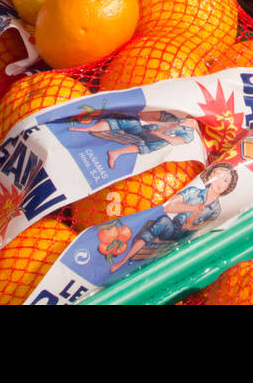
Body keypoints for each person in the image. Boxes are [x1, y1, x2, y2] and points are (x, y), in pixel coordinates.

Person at [104, 163, 238, 272]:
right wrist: (192, 208)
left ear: (228, 187)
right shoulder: (194, 192)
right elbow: (169, 207)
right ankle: (122, 262)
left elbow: (205, 226)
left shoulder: (216, 210)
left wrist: (190, 227)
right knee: (162, 222)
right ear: (210, 175)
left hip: (186, 239)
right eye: (218, 175)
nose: (220, 181)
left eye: (226, 180)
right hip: (173, 228)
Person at [69, 108, 200, 168]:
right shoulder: (175, 116)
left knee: (159, 144)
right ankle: (84, 129)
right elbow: (147, 115)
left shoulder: (189, 134)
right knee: (128, 121)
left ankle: (115, 153)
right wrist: (159, 125)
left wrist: (159, 133)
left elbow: (175, 141)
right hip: (146, 128)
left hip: (155, 138)